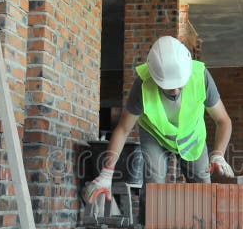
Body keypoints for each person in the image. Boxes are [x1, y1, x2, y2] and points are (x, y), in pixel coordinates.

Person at [82, 36, 234, 217]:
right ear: (155, 77)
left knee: (202, 182)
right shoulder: (143, 85)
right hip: (155, 136)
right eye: (168, 87)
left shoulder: (201, 76)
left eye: (179, 85)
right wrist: (107, 173)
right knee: (154, 183)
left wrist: (218, 154)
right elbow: (123, 129)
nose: (175, 91)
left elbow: (223, 120)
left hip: (192, 138)